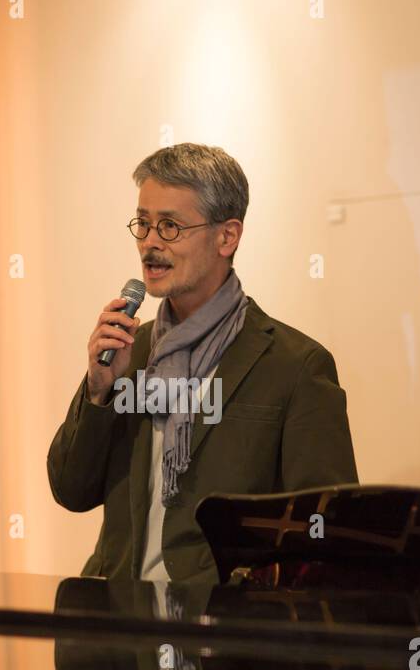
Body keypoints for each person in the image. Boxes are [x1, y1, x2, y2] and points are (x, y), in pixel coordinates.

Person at [48, 144, 357, 584]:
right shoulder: (129, 352)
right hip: (122, 627)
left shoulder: (295, 368)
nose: (150, 243)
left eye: (170, 227)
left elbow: (327, 535)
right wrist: (98, 391)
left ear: (227, 236)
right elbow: (71, 491)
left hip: (224, 633)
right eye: (144, 224)